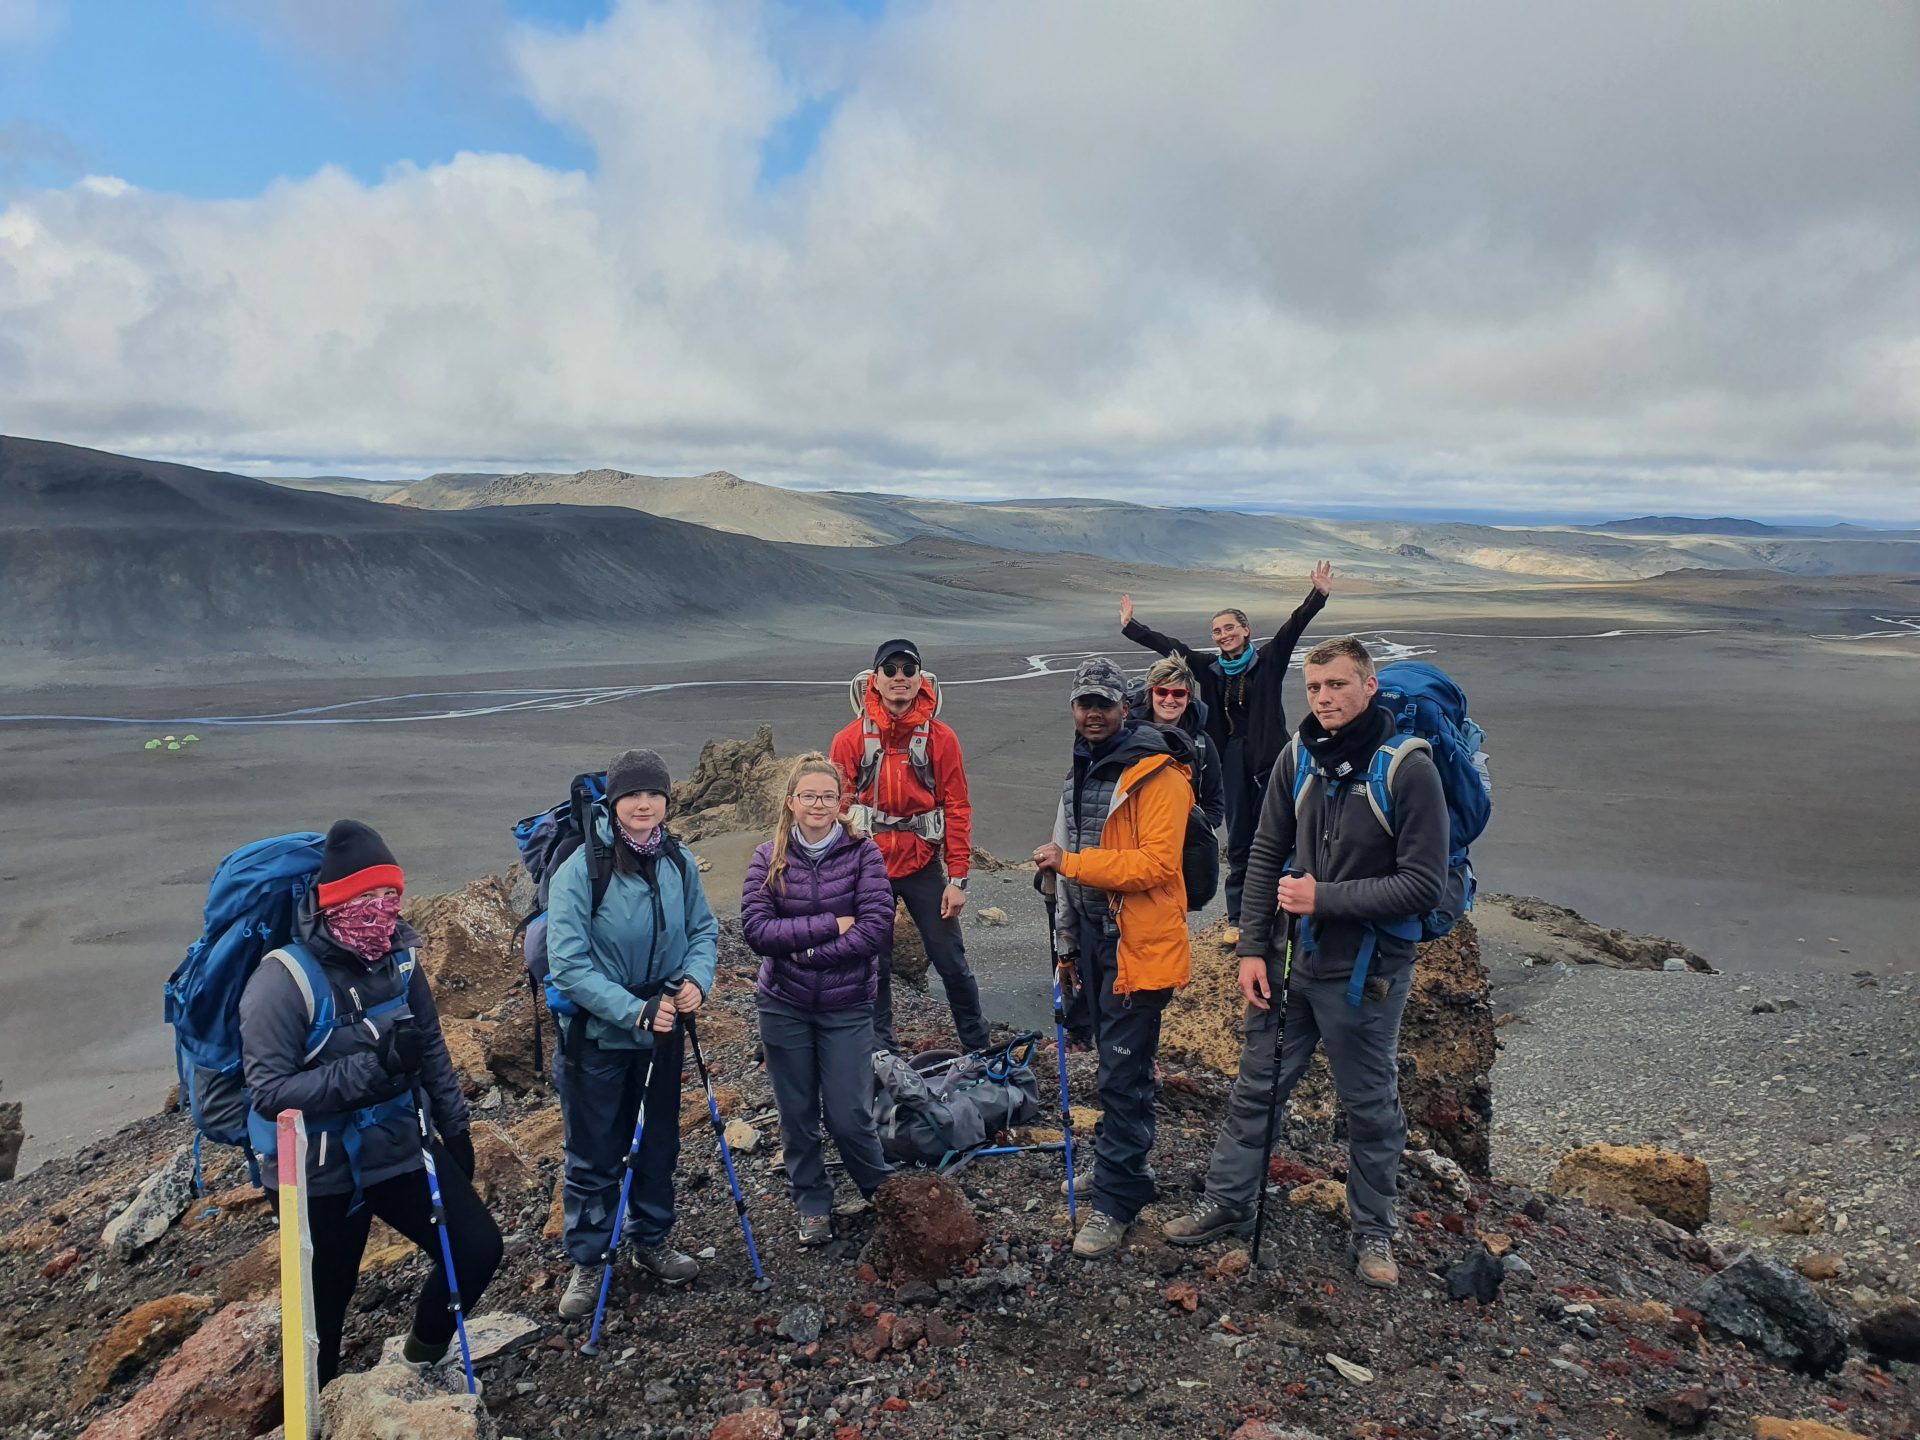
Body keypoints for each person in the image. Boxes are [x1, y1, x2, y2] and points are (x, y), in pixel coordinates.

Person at [1162, 636, 1446, 1288]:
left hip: (1367, 972)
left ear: (1369, 687)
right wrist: (1254, 948)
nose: (1325, 699)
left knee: (1370, 1104)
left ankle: (1375, 1232)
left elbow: (1423, 884)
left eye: (1338, 685)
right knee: (1257, 1086)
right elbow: (1264, 852)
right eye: (1316, 688)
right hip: (1293, 960)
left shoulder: (1408, 770)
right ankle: (1229, 1203)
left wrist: (1325, 898)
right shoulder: (1300, 755)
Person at [239, 819, 502, 1387]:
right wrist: (372, 1068)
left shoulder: (401, 960)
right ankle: (318, 1408)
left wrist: (455, 1129)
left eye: (391, 895)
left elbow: (430, 1048)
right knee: (325, 1308)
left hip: (401, 1145)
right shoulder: (281, 982)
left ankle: (414, 1365)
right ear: (333, 900)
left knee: (476, 1250)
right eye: (367, 896)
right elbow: (268, 1092)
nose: (381, 909)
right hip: (319, 1172)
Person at [547, 749, 720, 1318]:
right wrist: (634, 1011)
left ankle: (650, 1241)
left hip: (664, 1027)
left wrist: (696, 979)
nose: (644, 804)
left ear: (667, 801)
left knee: (658, 1141)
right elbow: (568, 964)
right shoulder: (582, 868)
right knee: (595, 1150)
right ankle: (589, 1261)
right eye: (633, 795)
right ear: (614, 802)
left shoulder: (678, 860)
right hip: (597, 1037)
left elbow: (702, 928)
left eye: (654, 795)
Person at [1032, 657, 1195, 1259]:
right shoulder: (1081, 771)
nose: (1093, 713)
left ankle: (1115, 1204)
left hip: (1139, 947)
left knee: (1123, 1076)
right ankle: (1116, 1169)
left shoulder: (1161, 777)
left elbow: (1156, 864)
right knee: (1111, 1065)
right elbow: (1071, 856)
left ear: (1127, 707)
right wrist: (1067, 942)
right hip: (1098, 942)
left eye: (1104, 703)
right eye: (1084, 703)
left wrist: (1070, 865)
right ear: (1074, 709)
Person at [1120, 561, 1334, 945]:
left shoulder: (1267, 661)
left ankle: (1287, 907)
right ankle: (1239, 917)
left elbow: (1293, 628)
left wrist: (1318, 595)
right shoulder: (1208, 668)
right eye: (1217, 631)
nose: (1223, 635)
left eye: (1229, 628)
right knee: (1239, 841)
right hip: (1231, 763)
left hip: (1272, 760)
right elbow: (1172, 648)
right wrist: (1131, 628)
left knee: (1286, 833)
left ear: (1246, 630)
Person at [741, 754, 897, 1244]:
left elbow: (875, 925)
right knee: (797, 1112)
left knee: (850, 1114)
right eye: (808, 795)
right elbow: (756, 930)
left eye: (828, 796)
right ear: (791, 802)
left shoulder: (863, 854)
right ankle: (812, 1203)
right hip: (783, 1005)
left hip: (846, 1005)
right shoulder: (768, 857)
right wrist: (829, 927)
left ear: (840, 802)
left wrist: (802, 952)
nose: (818, 804)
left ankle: (882, 1192)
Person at [831, 638, 989, 1054]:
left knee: (951, 961)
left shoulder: (941, 738)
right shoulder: (850, 740)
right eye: (890, 670)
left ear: (921, 679)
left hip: (922, 866)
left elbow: (957, 807)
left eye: (908, 669)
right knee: (872, 965)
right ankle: (881, 1054)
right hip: (868, 867)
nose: (899, 677)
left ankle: (979, 1050)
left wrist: (958, 879)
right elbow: (836, 809)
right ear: (875, 679)